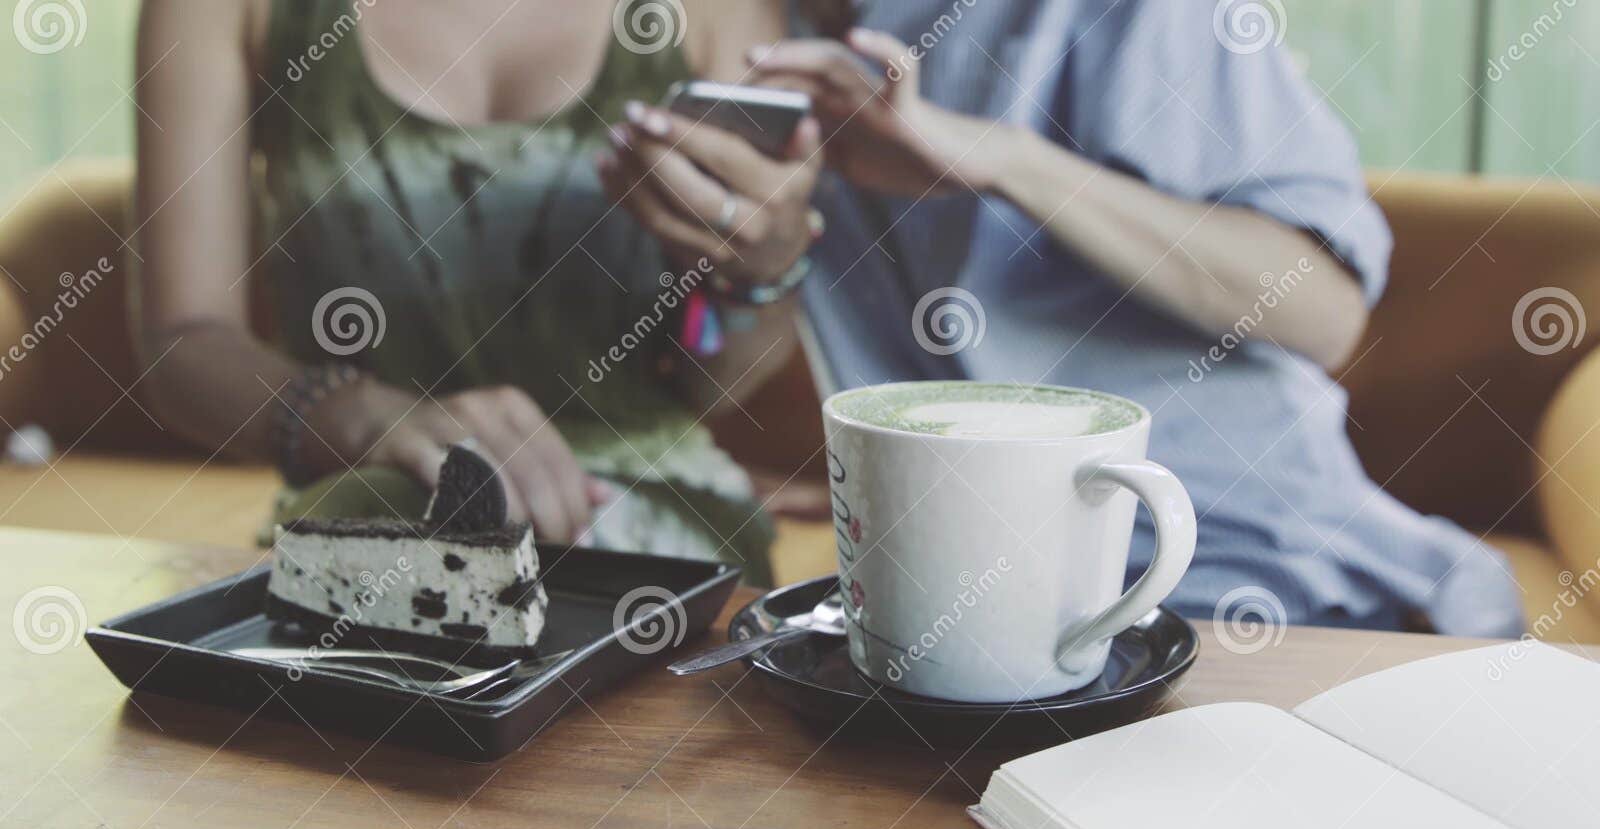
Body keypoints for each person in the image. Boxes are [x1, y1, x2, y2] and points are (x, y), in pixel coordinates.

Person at [711, 0, 1521, 636]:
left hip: (1238, 563)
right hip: (970, 590)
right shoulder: (771, 48)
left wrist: (1007, 160)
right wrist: (762, 267)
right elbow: (722, 389)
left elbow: (1326, 313)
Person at [131, 0, 841, 583]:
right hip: (378, 504)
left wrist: (761, 269)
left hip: (659, 521)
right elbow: (180, 345)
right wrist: (356, 416)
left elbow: (710, 387)